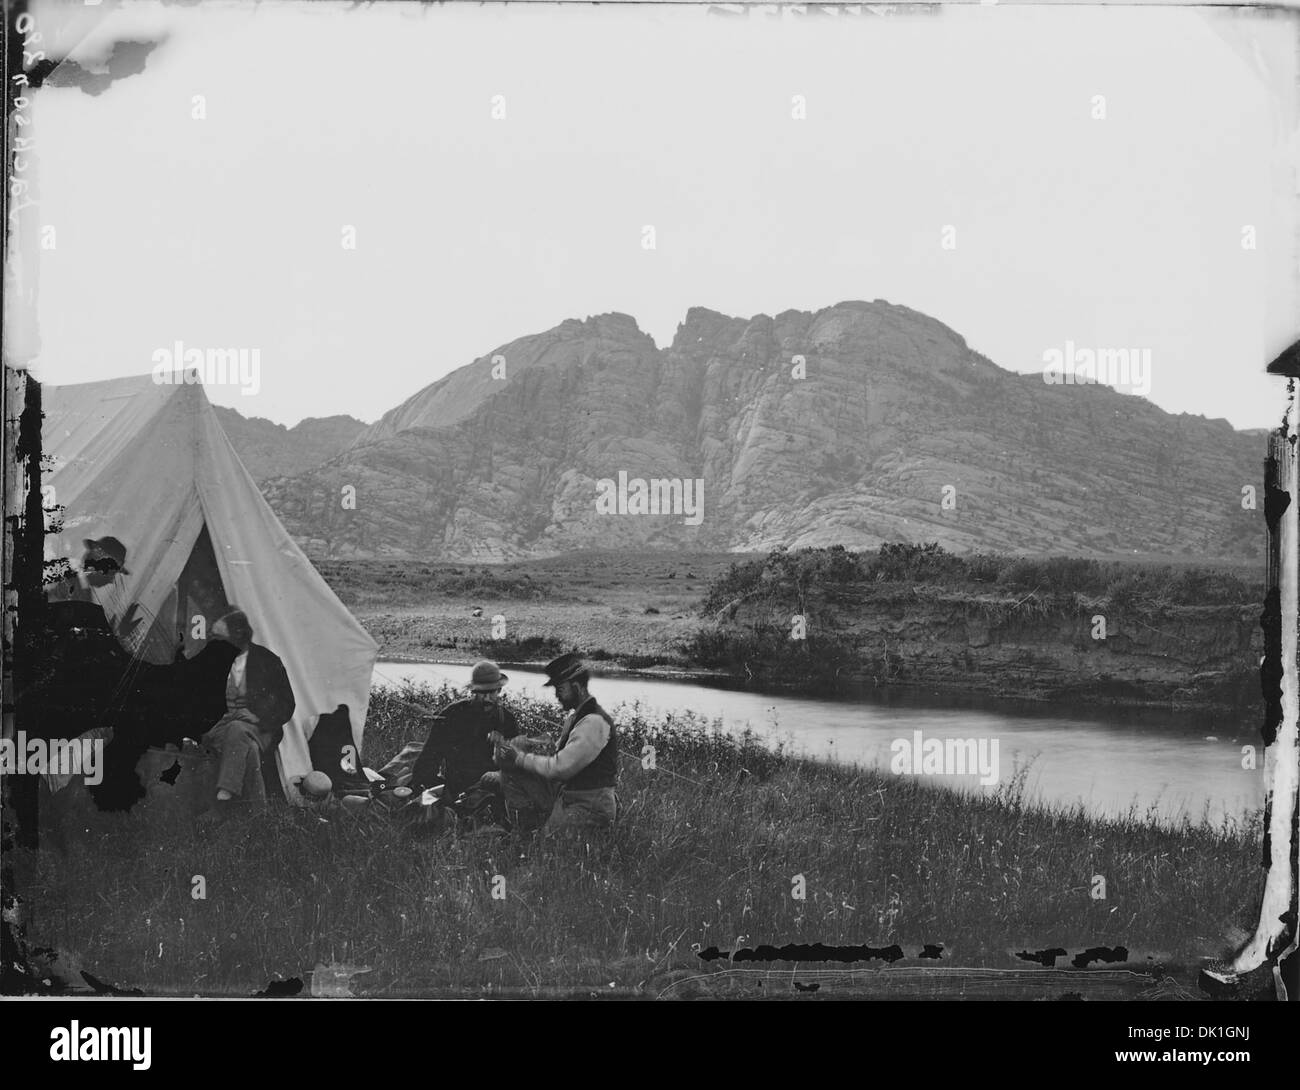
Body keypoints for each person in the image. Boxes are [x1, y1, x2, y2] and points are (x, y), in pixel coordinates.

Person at [493, 652, 619, 832]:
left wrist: (519, 757)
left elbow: (560, 768)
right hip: (569, 796)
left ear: (576, 687)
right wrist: (526, 744)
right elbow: (557, 755)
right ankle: (524, 828)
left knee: (547, 846)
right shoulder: (577, 718)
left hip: (590, 805)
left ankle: (532, 833)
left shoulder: (594, 722)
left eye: (560, 689)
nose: (557, 696)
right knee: (510, 773)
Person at [200, 608, 295, 813]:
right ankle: (260, 814)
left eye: (218, 637)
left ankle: (225, 794)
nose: (213, 641)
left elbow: (287, 704)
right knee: (246, 746)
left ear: (237, 638)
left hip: (261, 727)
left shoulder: (267, 661)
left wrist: (259, 717)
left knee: (237, 729)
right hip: (222, 726)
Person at [407, 661, 518, 805]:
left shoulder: (507, 720)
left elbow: (516, 762)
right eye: (481, 693)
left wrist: (500, 769)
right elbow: (430, 755)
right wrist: (422, 786)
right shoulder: (453, 713)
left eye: (491, 692)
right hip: (455, 783)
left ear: (499, 691)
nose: (486, 699)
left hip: (491, 784)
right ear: (473, 692)